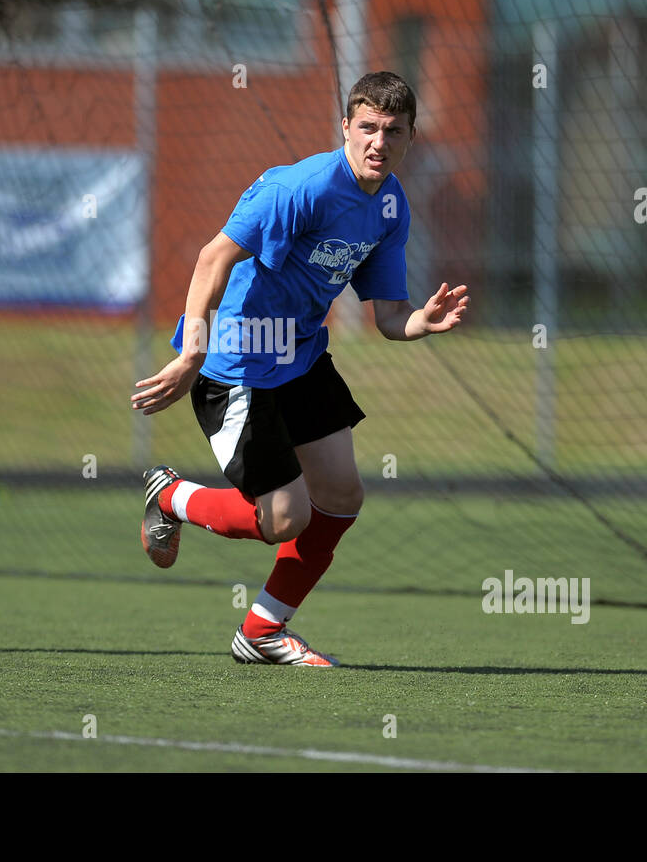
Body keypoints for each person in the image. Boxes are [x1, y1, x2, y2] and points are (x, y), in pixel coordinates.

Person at [131, 71, 469, 666]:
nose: (378, 142)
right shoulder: (300, 188)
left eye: (393, 131)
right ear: (345, 126)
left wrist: (422, 323)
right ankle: (174, 499)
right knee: (287, 518)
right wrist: (192, 353)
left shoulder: (390, 206)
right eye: (366, 127)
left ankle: (262, 631)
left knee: (341, 496)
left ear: (412, 137)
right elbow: (213, 258)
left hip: (303, 358)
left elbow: (389, 315)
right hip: (236, 366)